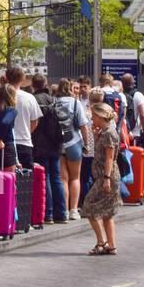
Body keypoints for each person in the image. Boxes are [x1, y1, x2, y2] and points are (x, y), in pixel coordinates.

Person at [80, 101, 121, 255]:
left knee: (89, 206)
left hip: (107, 176)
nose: (92, 120)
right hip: (104, 175)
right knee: (107, 213)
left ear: (100, 116)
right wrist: (96, 137)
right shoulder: (105, 132)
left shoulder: (109, 133)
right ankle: (111, 245)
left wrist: (106, 178)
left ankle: (100, 242)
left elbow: (109, 158)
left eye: (94, 117)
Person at [31, 74, 66, 223]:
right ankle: (61, 213)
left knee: (45, 178)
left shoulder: (34, 100)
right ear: (46, 83)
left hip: (40, 144)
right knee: (56, 178)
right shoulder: (55, 100)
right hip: (56, 143)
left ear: (33, 85)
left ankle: (48, 214)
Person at [59, 80, 88, 220]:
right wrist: (86, 144)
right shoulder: (75, 103)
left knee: (63, 179)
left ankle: (63, 210)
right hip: (74, 142)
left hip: (58, 143)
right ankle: (73, 210)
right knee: (75, 178)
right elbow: (83, 125)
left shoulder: (55, 102)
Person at [6, 67, 41, 170]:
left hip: (5, 143)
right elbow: (35, 121)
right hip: (24, 142)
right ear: (22, 79)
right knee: (26, 180)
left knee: (6, 180)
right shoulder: (29, 98)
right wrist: (27, 132)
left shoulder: (0, 97)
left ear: (7, 78)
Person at [121, 73, 144, 141]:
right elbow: (143, 115)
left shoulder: (120, 95)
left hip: (123, 132)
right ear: (133, 82)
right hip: (135, 133)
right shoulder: (138, 95)